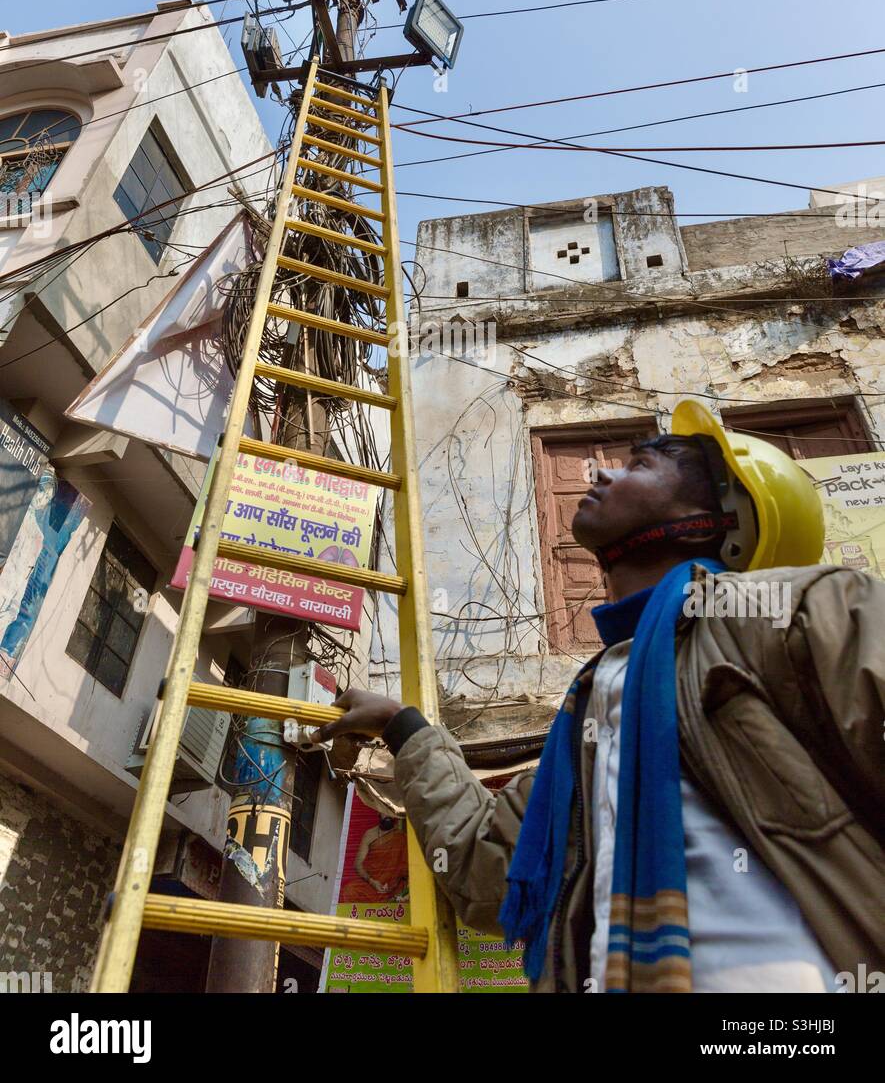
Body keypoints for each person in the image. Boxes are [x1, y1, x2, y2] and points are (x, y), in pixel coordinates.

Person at [315, 399, 885, 994]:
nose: (602, 472)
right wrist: (405, 728)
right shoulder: (594, 709)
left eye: (640, 465)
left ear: (714, 520)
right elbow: (488, 874)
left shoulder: (805, 612)